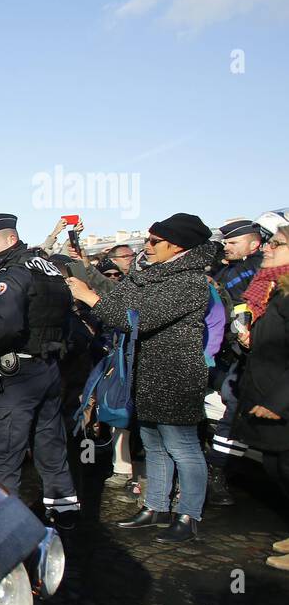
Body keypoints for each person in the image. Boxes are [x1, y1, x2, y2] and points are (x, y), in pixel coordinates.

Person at [68, 213, 221, 542]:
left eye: (153, 242)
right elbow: (120, 298)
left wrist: (88, 297)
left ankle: (188, 514)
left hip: (176, 375)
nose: (147, 246)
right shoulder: (154, 273)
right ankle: (156, 506)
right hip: (147, 371)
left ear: (176, 245)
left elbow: (139, 319)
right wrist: (113, 272)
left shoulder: (190, 281)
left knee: (183, 447)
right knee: (153, 444)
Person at [0, 213, 80, 530]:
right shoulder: (47, 269)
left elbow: (2, 328)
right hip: (49, 366)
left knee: (3, 451)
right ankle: (64, 509)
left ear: (10, 240)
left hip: (17, 375)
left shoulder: (10, 275)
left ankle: (4, 523)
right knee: (50, 442)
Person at [230, 216, 289, 569]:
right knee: (278, 469)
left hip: (279, 400)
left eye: (277, 243)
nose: (267, 248)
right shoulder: (274, 290)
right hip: (267, 392)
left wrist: (279, 401)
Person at [206, 218, 266, 505]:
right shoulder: (225, 269)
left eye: (232, 242)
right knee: (233, 400)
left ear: (253, 243)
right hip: (234, 355)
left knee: (235, 400)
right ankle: (218, 470)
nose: (226, 246)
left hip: (258, 351)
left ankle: (219, 469)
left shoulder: (259, 268)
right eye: (225, 242)